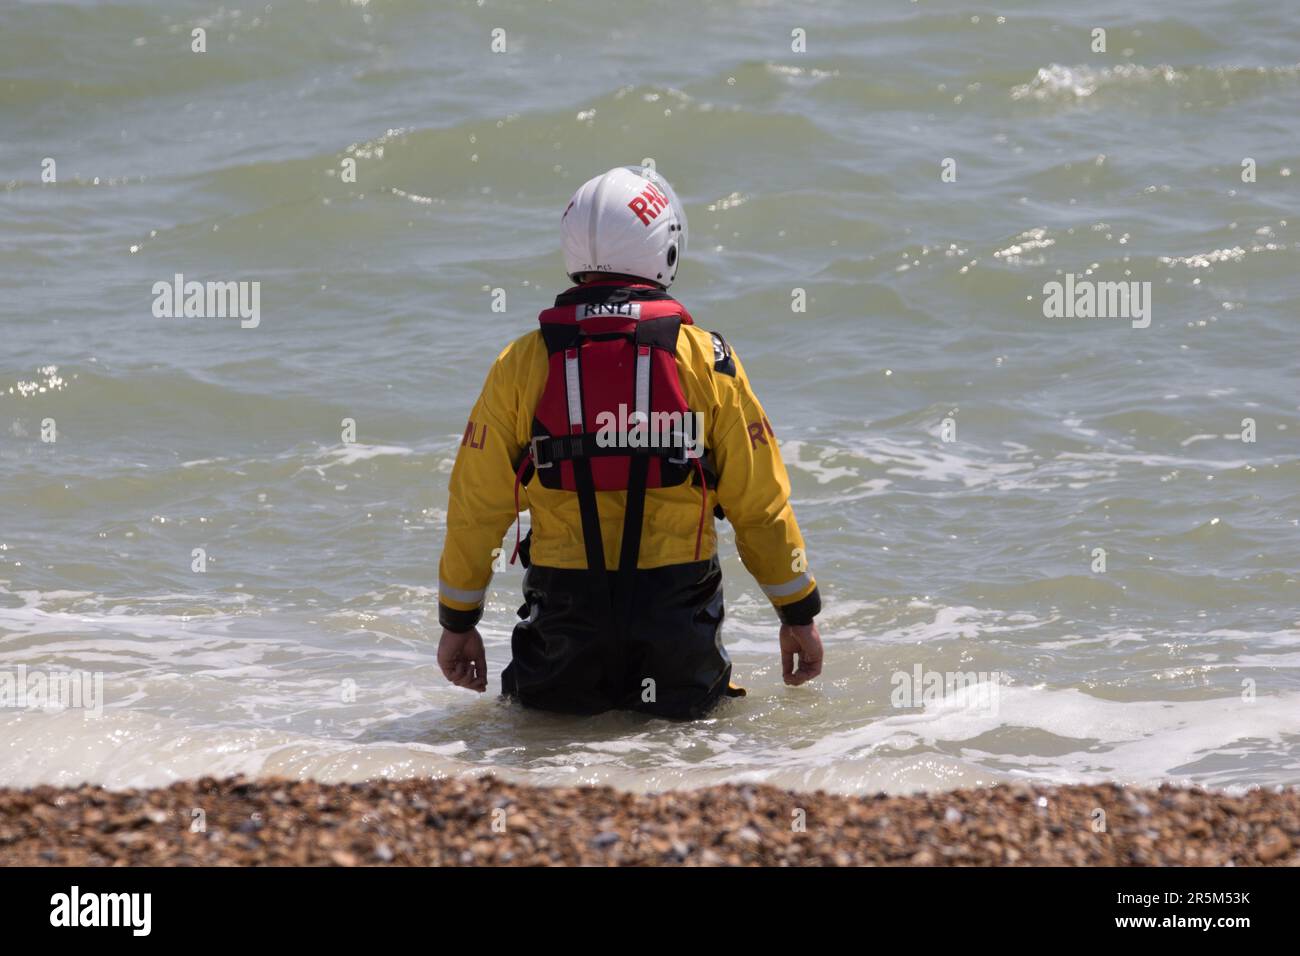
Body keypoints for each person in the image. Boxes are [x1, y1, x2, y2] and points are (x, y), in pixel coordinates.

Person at [436, 165, 822, 718]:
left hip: (564, 624)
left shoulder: (521, 363)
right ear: (663, 247)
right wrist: (797, 615)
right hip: (677, 626)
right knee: (685, 760)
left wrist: (458, 621)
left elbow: (477, 507)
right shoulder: (708, 360)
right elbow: (759, 506)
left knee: (542, 755)